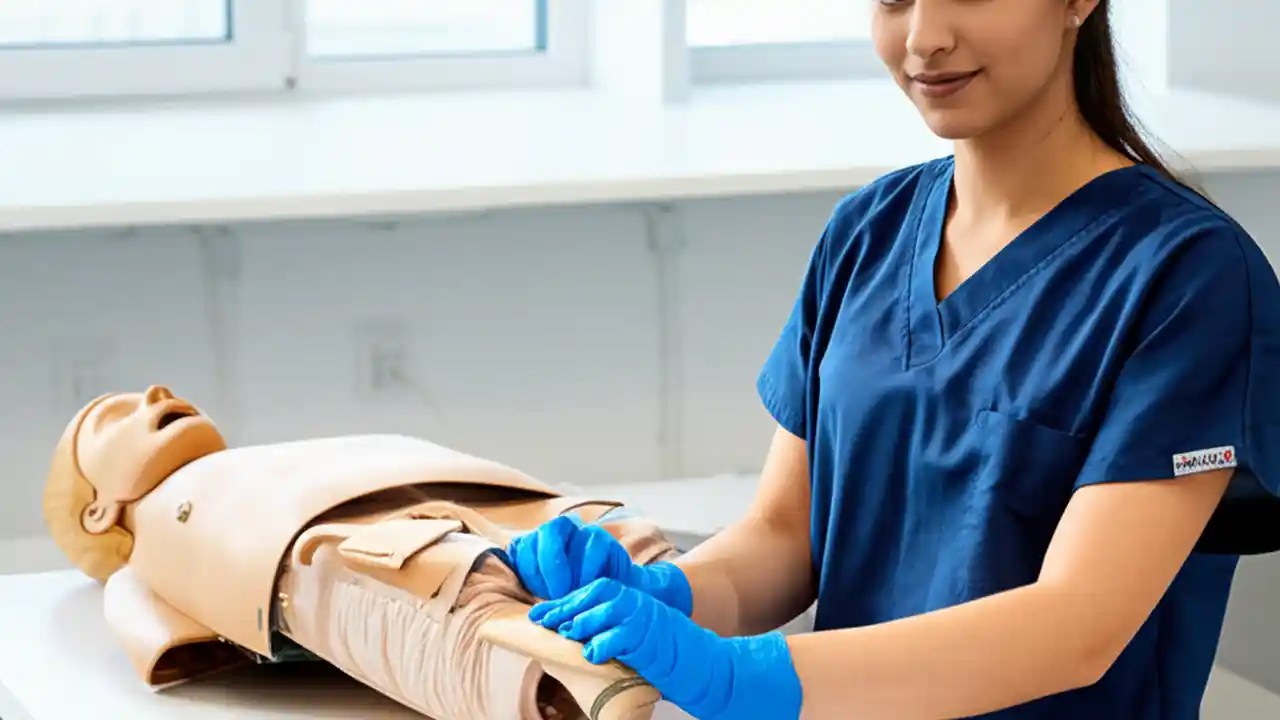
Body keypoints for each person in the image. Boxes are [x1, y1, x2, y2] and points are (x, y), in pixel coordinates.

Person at [501, 1, 1280, 718]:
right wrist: (667, 594)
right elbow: (784, 537)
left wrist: (746, 677)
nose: (924, 38)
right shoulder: (869, 231)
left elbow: (1077, 624)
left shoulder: (1189, 277)